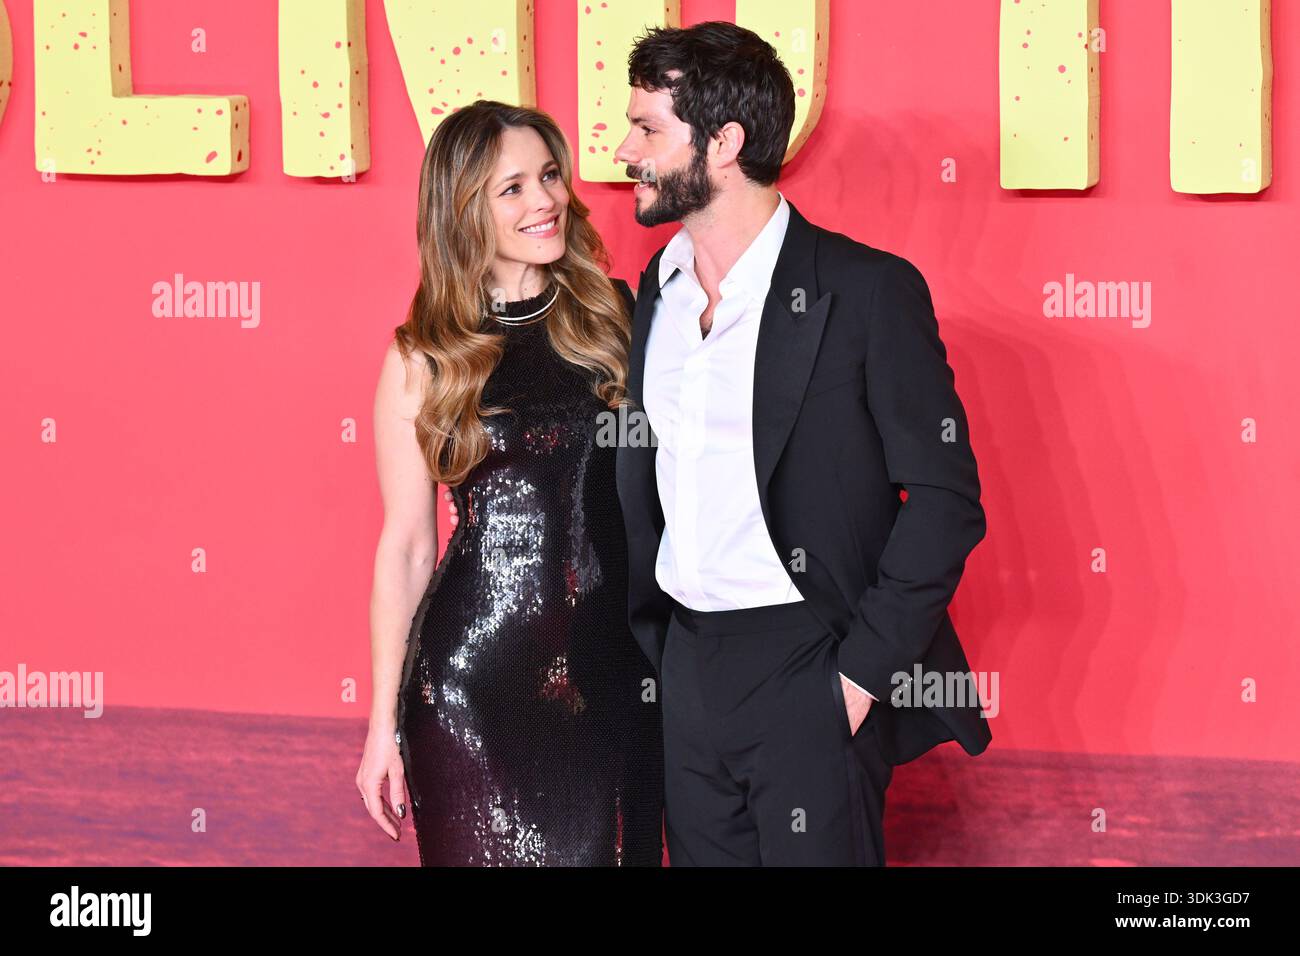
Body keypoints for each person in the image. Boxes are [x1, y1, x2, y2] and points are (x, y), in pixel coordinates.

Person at [610, 22, 991, 866]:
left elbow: (944, 502)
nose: (622, 148)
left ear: (724, 144)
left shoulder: (864, 292)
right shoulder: (654, 296)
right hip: (686, 665)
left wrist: (855, 681)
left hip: (807, 662)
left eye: (647, 130)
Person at [356, 100, 664, 866]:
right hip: (471, 692)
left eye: (550, 176)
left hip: (614, 678)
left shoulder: (618, 318)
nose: (546, 200)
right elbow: (405, 547)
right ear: (463, 210)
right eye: (514, 188)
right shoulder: (423, 357)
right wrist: (381, 724)